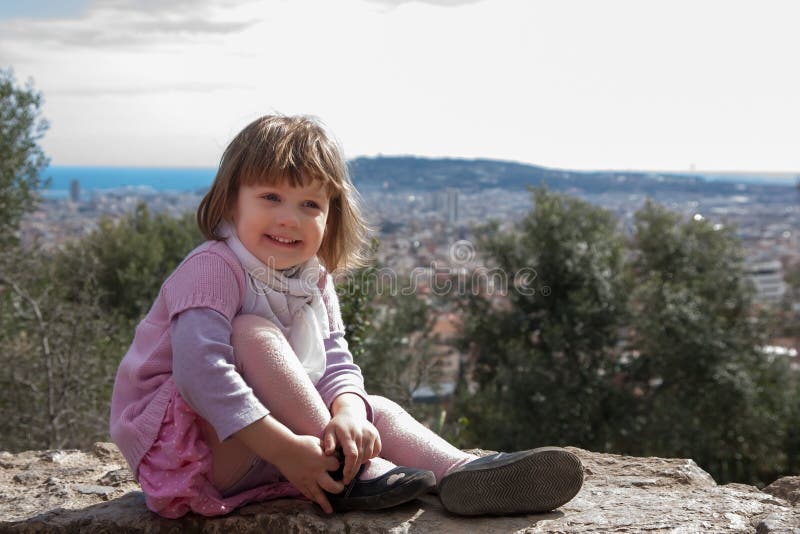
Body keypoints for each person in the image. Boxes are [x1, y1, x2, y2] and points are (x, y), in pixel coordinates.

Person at [109, 114, 584, 519]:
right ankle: (355, 473)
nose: (289, 218)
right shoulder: (214, 266)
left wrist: (350, 413)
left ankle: (460, 473)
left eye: (309, 204)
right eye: (271, 197)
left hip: (275, 446)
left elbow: (336, 360)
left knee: (374, 409)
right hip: (192, 450)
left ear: (331, 216)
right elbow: (198, 373)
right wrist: (285, 448)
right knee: (252, 333)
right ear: (233, 199)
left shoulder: (313, 278)